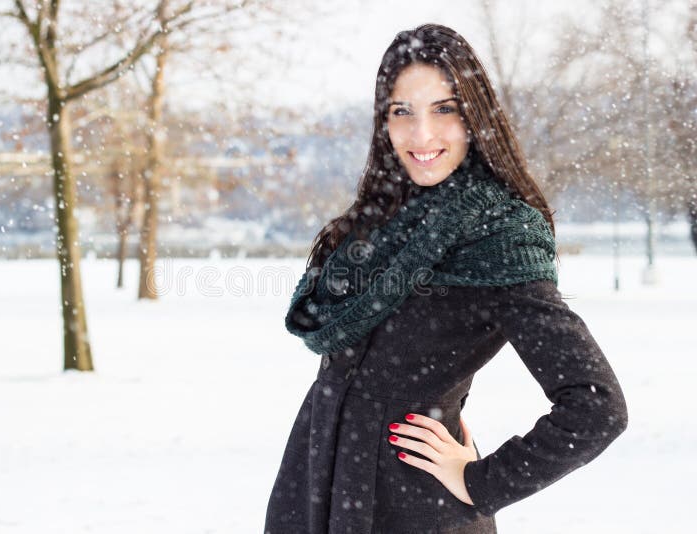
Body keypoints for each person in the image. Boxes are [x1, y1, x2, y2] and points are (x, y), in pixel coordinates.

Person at [264, 23, 628, 534]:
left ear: (475, 116)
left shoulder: (498, 235)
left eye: (444, 109)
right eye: (401, 112)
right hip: (313, 490)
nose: (421, 135)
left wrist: (482, 481)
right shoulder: (379, 220)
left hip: (413, 509)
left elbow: (596, 407)